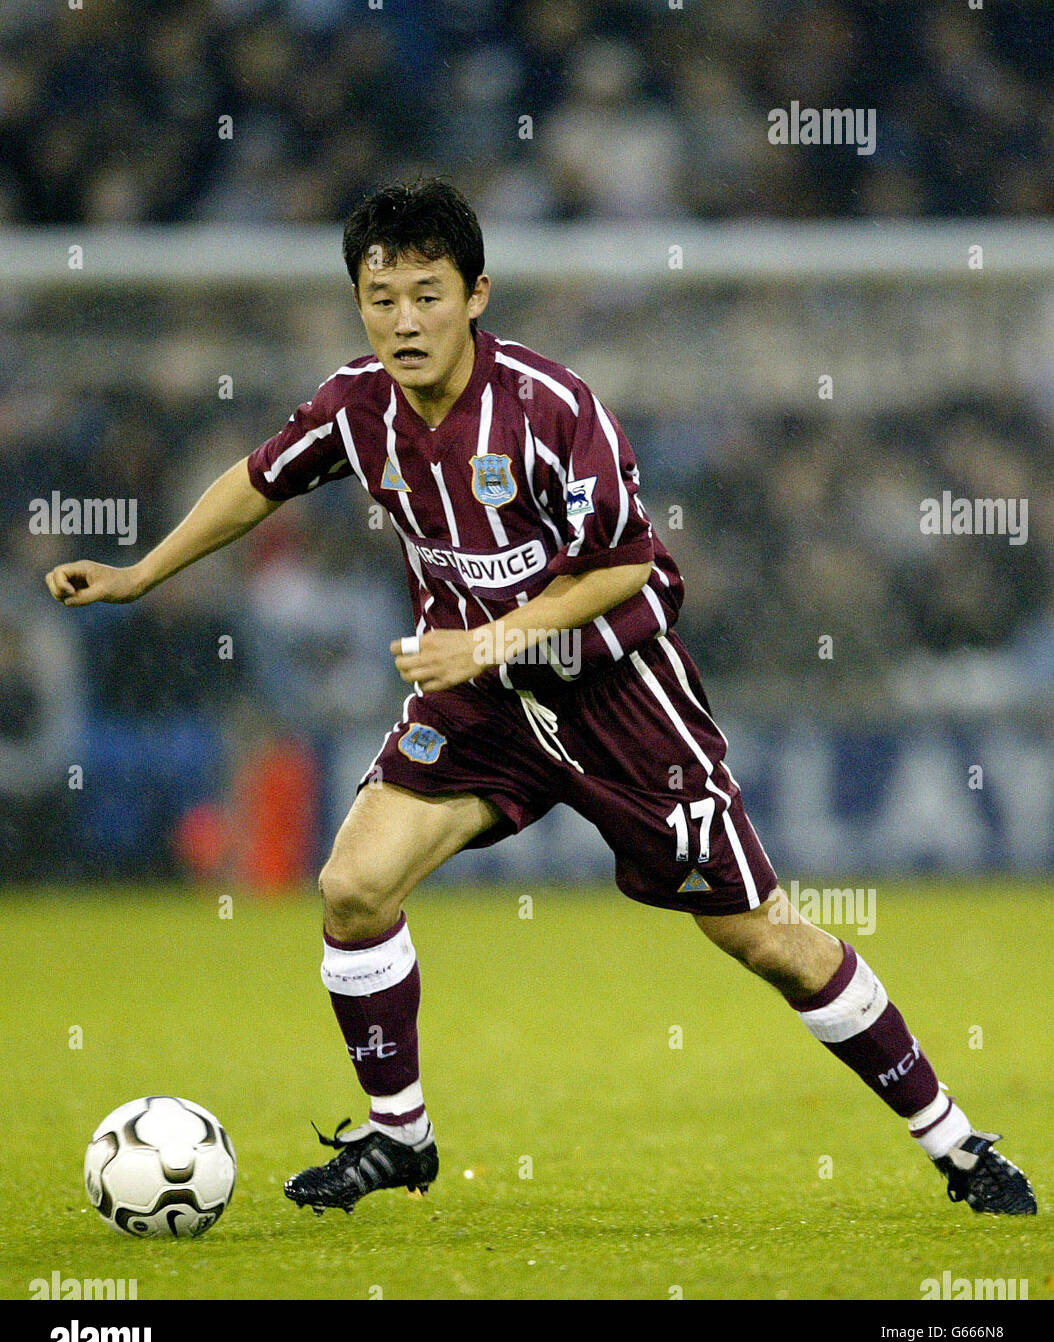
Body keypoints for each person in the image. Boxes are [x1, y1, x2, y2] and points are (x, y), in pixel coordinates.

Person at [45, 178, 1036, 1218]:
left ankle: (959, 1145)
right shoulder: (357, 406)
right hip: (481, 707)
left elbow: (626, 566)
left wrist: (485, 639)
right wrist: (141, 572)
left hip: (621, 700)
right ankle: (401, 1138)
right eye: (380, 298)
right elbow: (257, 477)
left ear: (477, 294)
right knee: (352, 886)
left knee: (766, 940)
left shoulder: (551, 407)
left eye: (426, 294)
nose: (403, 320)